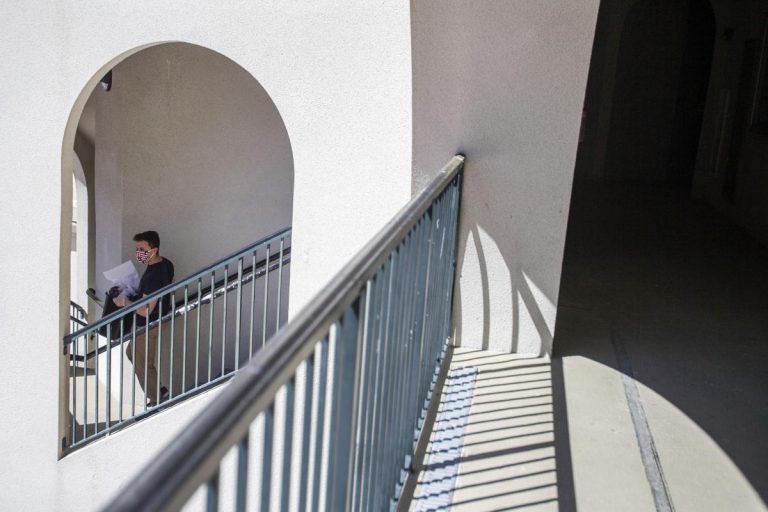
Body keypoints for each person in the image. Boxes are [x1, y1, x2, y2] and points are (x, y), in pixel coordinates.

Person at [114, 230, 174, 406]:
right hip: (155, 319)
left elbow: (146, 310)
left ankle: (157, 399)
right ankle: (159, 390)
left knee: (142, 363)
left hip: (149, 323)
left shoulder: (154, 275)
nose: (138, 252)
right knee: (131, 353)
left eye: (142, 248)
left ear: (153, 250)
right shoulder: (165, 264)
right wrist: (135, 294)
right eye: (137, 248)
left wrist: (125, 301)